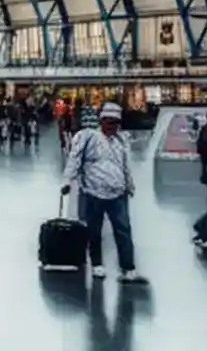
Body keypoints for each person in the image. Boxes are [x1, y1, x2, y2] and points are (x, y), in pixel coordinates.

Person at [60, 104, 146, 283]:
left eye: (116, 122)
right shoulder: (88, 137)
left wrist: (129, 185)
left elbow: (125, 165)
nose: (113, 126)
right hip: (93, 191)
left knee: (123, 230)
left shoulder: (122, 141)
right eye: (109, 122)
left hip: (117, 192)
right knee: (94, 230)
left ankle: (128, 267)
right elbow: (74, 159)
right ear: (102, 121)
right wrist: (67, 181)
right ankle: (97, 264)